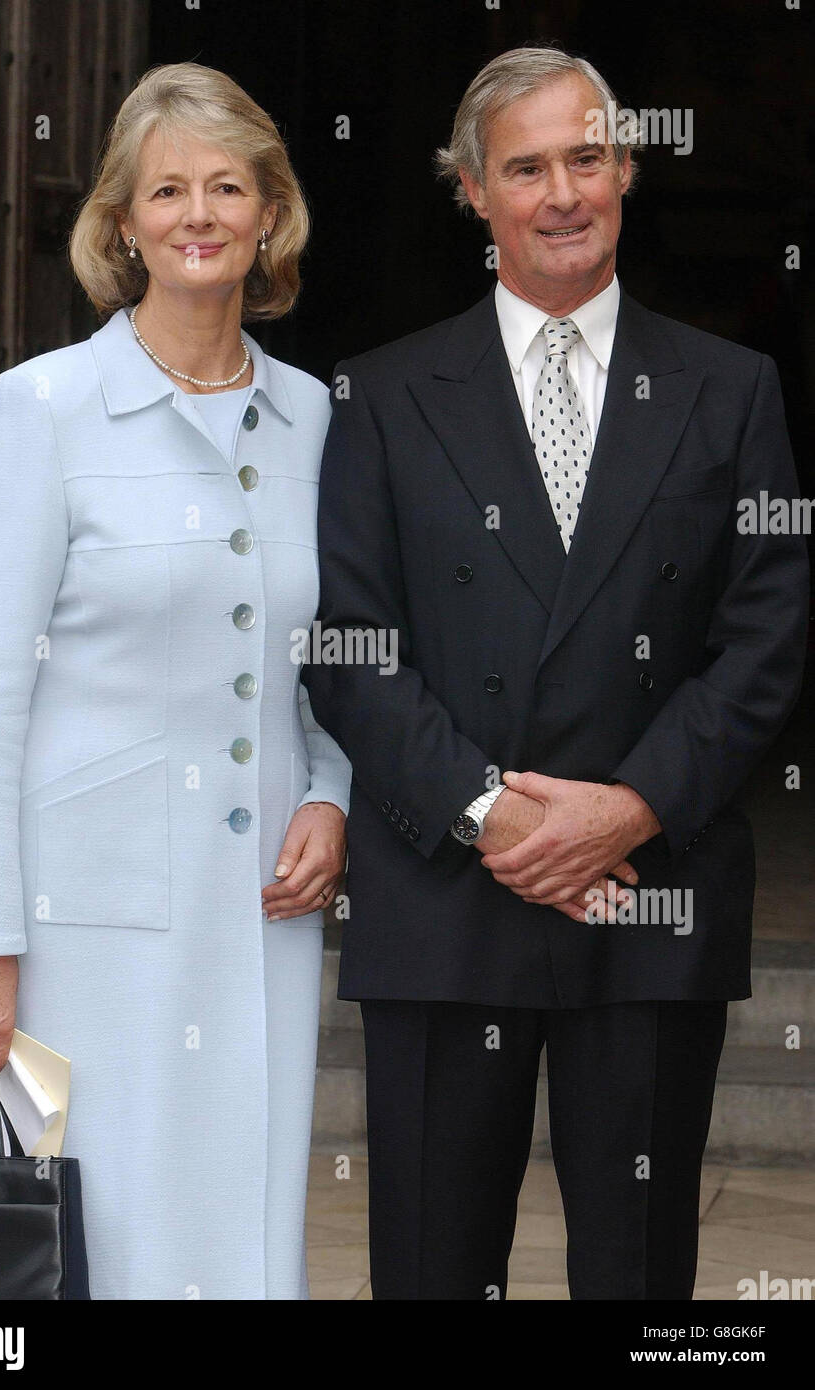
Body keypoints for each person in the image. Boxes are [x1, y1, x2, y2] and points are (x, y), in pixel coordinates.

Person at [301, 46, 809, 1299]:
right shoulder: (381, 394)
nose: (563, 191)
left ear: (627, 168)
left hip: (648, 895)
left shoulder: (733, 390)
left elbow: (768, 637)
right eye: (527, 167)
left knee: (639, 1283)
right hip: (444, 904)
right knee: (429, 1268)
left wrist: (627, 809)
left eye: (587, 157)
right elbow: (348, 648)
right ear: (473, 191)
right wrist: (500, 816)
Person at [0, 61, 351, 1301]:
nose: (200, 215)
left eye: (229, 187)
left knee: (238, 1230)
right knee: (95, 1229)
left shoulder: (318, 419)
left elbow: (337, 658)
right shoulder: (41, 409)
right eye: (168, 191)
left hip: (260, 908)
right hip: (77, 928)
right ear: (122, 223)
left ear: (271, 213)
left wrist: (327, 790)